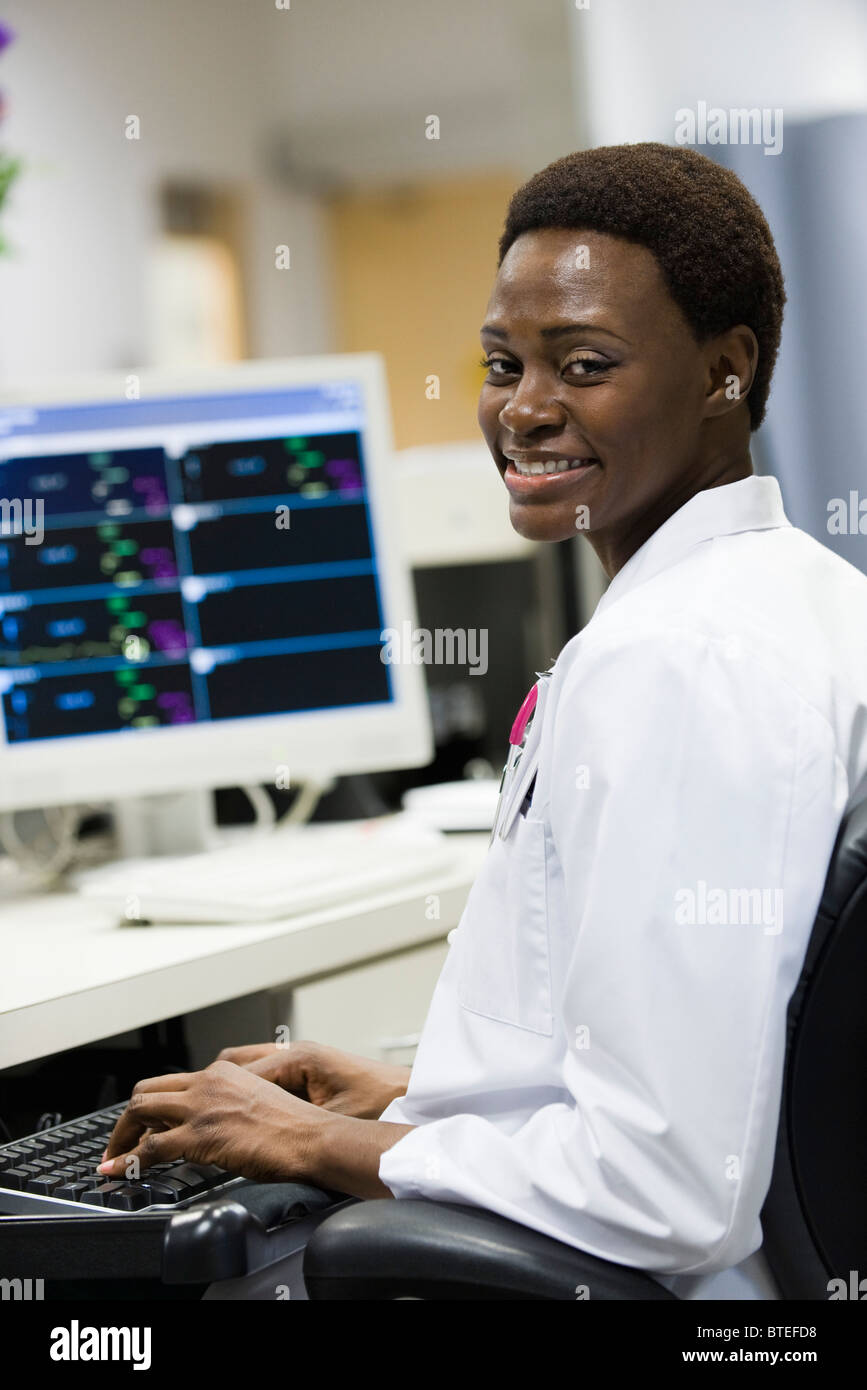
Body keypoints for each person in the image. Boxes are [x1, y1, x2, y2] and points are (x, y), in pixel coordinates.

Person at [101, 143, 867, 1299]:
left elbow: (662, 1187)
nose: (524, 408)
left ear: (726, 370)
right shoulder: (800, 595)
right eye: (503, 361)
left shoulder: (673, 664)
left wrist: (312, 1142)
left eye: (585, 363)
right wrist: (418, 1098)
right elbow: (696, 1042)